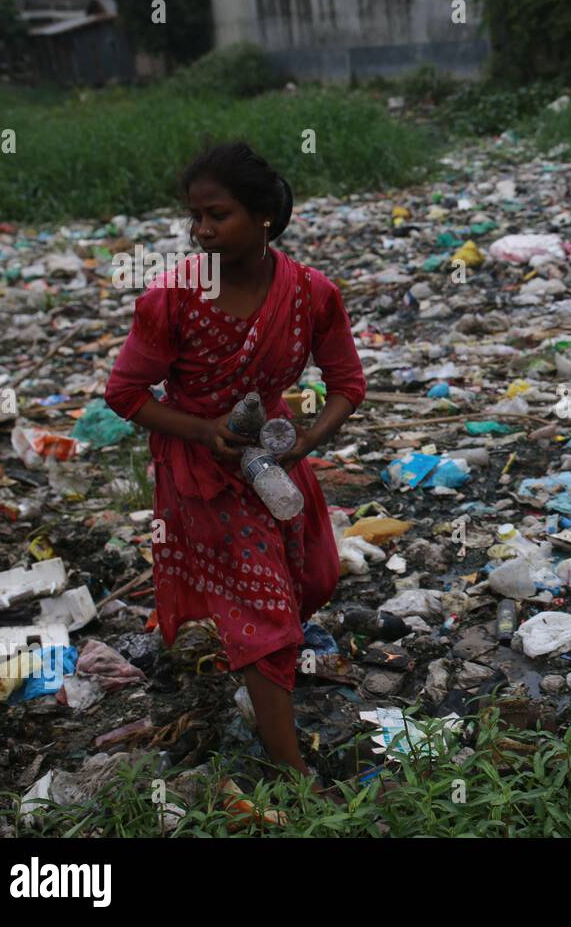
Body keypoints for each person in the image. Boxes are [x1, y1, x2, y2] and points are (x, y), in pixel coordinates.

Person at [104, 141, 366, 799]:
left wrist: (307, 440)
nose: (201, 230)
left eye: (217, 215)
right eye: (195, 217)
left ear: (264, 217)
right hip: (202, 473)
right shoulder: (173, 299)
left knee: (316, 577)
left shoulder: (311, 294)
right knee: (267, 612)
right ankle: (292, 774)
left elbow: (347, 385)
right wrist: (204, 432)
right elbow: (126, 396)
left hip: (273, 460)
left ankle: (256, 669)